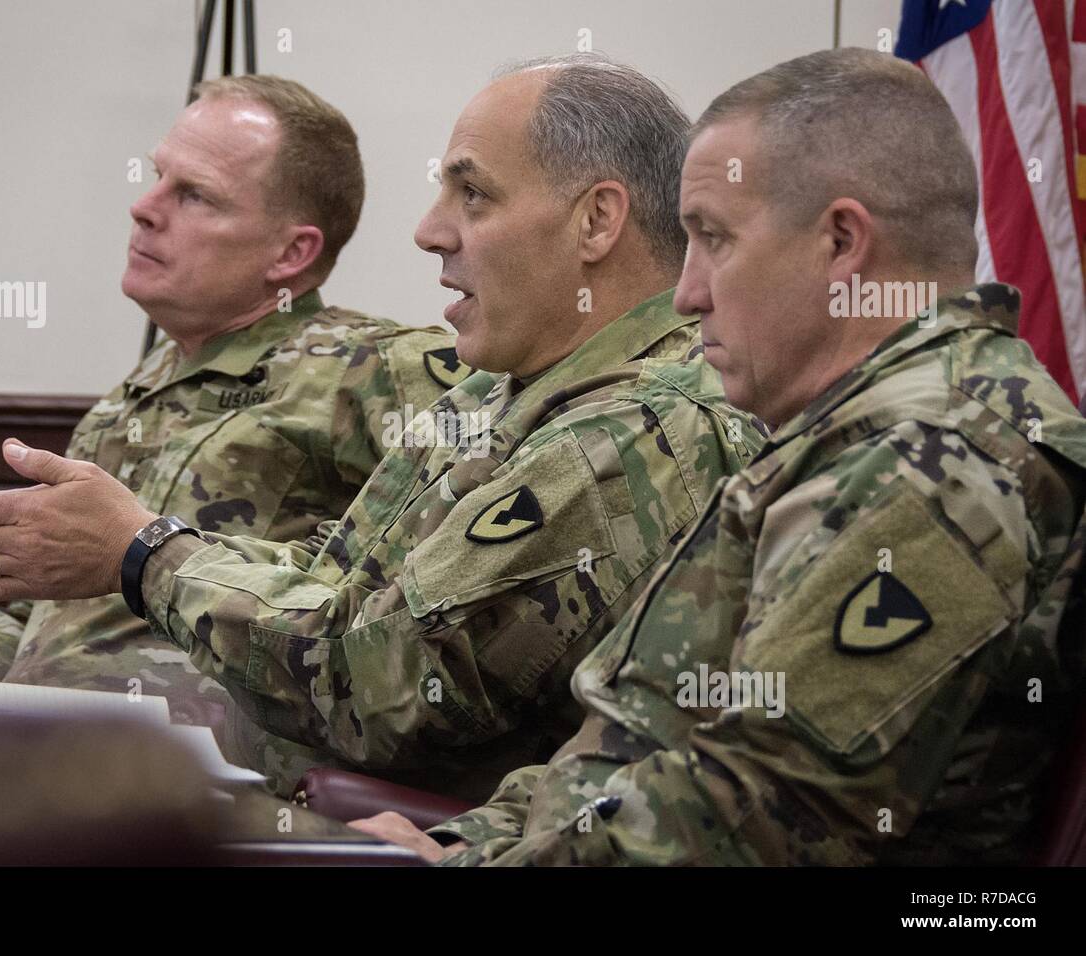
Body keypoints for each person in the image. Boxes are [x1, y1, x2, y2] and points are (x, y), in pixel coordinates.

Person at [0, 54, 763, 800]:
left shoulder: (630, 429)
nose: (429, 231)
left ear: (597, 221)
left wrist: (144, 556)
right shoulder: (497, 393)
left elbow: (385, 687)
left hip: (359, 825)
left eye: (471, 193)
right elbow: (346, 578)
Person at [356, 47, 1086, 864]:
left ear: (842, 243)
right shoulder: (843, 437)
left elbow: (754, 815)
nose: (686, 290)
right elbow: (633, 740)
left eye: (713, 239)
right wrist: (456, 841)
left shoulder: (933, 459)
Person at [0, 75, 464, 730]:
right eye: (157, 177)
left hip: (214, 783)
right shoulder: (135, 393)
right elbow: (30, 614)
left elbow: (425, 598)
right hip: (34, 752)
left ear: (291, 253)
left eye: (194, 196)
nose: (145, 208)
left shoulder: (379, 367)